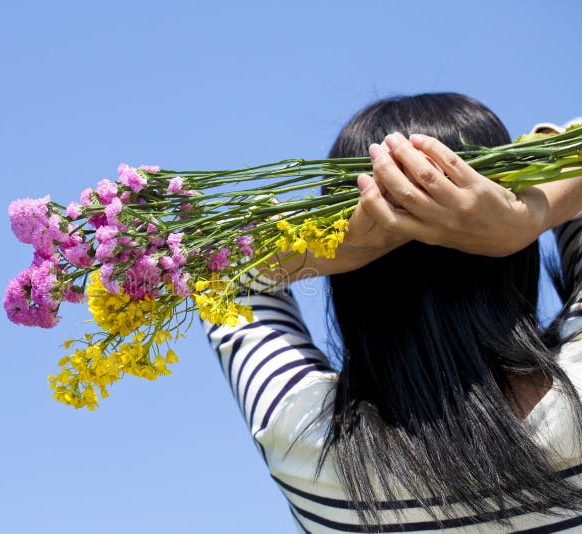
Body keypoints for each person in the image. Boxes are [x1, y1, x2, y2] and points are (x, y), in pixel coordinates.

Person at [202, 93, 582, 532]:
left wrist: (341, 243)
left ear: (350, 283)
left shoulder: (305, 442)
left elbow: (221, 275)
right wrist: (527, 215)